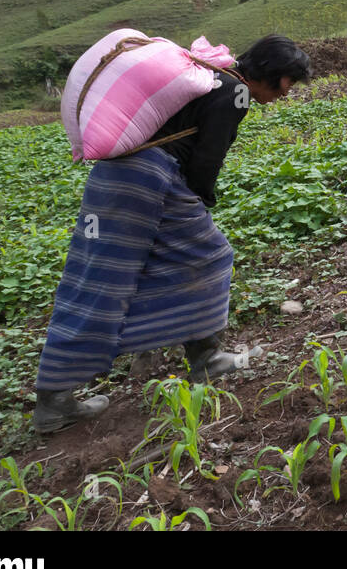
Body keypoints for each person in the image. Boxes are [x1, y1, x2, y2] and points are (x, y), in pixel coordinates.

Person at [32, 35, 312, 434]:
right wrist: (200, 202)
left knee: (98, 278)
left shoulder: (212, 76)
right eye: (289, 82)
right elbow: (204, 164)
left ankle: (55, 399)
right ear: (272, 74)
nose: (287, 93)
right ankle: (206, 361)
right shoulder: (234, 92)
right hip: (149, 181)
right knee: (209, 257)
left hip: (114, 180)